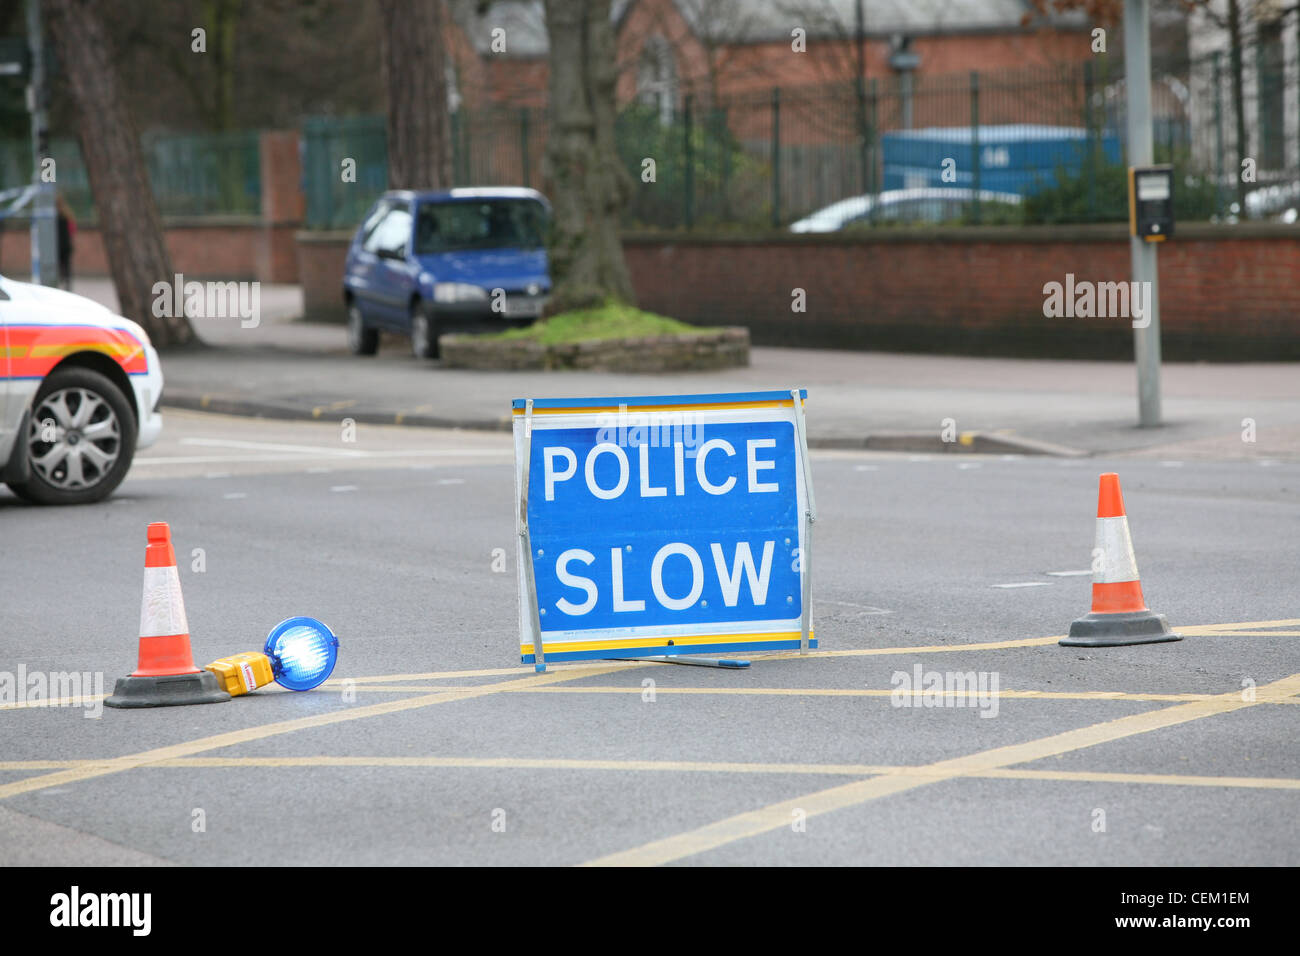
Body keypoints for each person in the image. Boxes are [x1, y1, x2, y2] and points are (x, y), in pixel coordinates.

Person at [56, 193, 76, 290]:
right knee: (66, 265)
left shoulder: (52, 216)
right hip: (66, 244)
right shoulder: (67, 214)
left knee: (59, 264)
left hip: (57, 244)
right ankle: (67, 282)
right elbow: (72, 229)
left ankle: (62, 281)